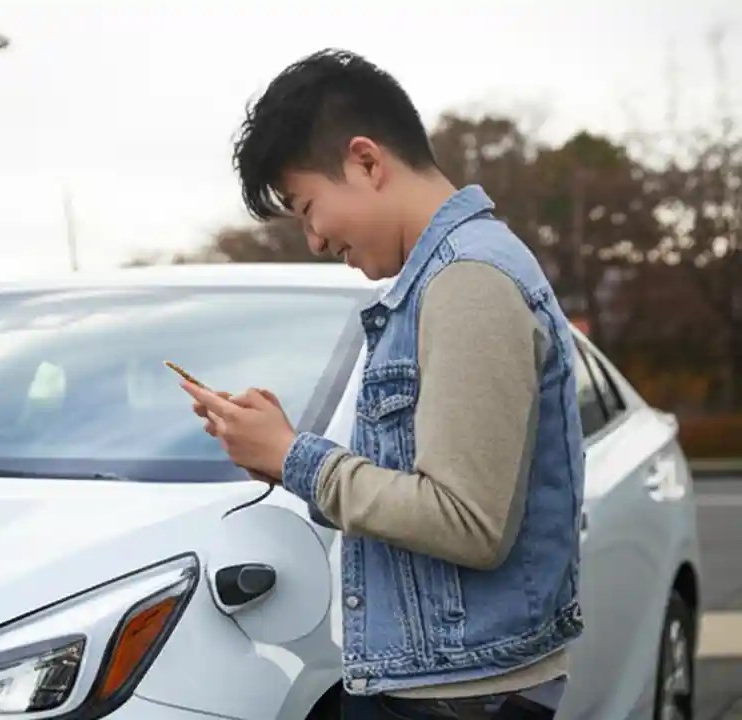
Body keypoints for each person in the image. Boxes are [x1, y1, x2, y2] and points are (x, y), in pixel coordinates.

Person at [181, 49, 584, 719]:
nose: (312, 239)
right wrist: (285, 449)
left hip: (459, 698)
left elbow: (468, 522)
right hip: (456, 683)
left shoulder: (467, 280)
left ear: (367, 162)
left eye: (308, 208)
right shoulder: (449, 276)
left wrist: (293, 458)